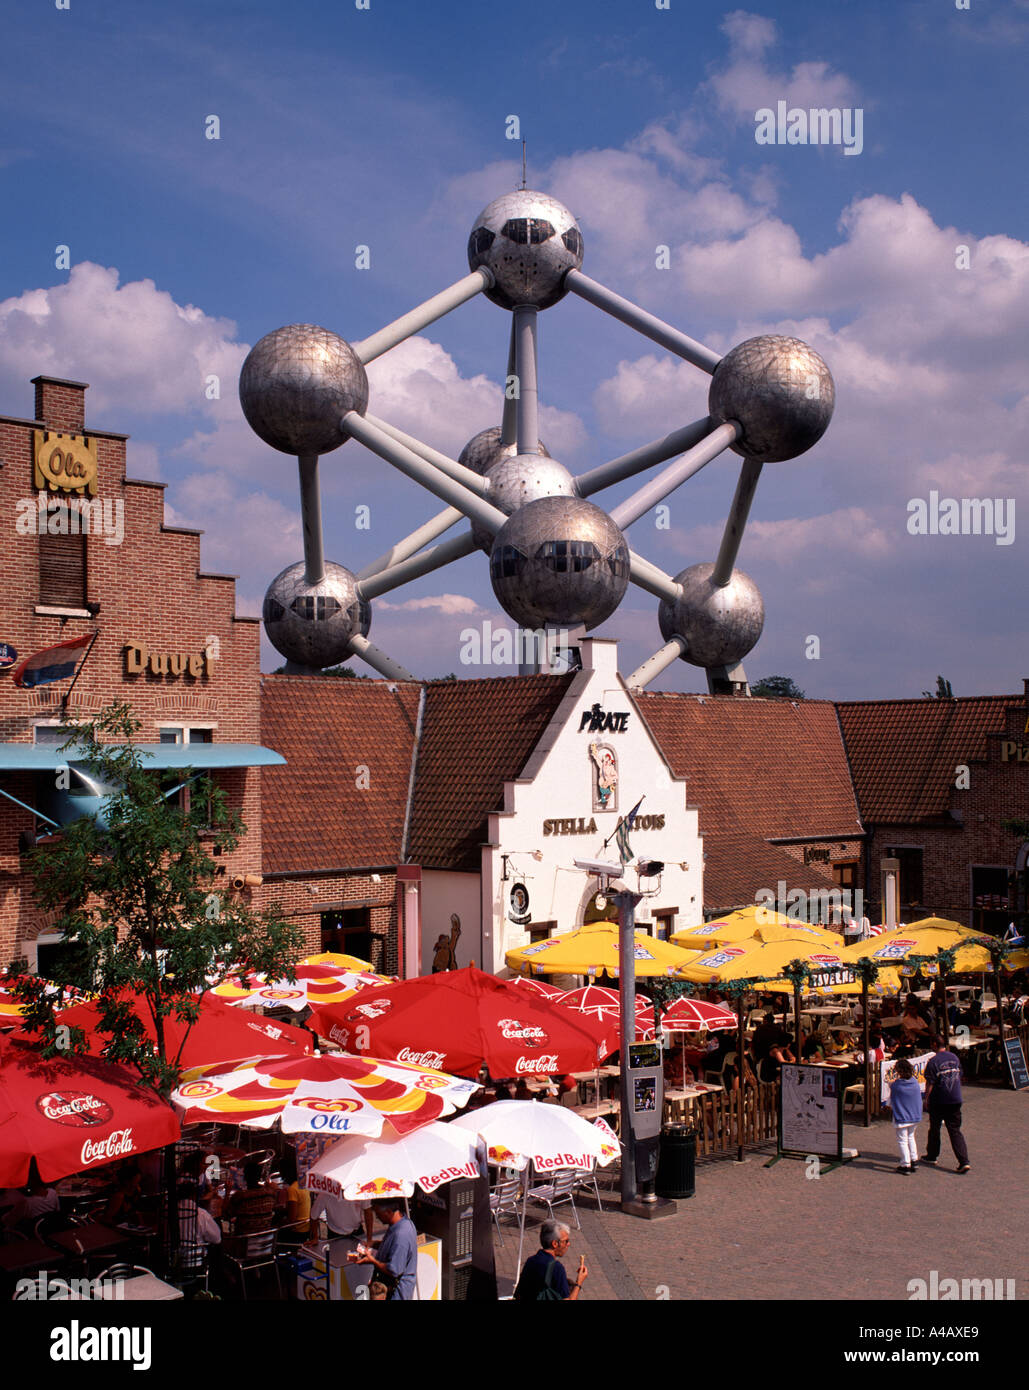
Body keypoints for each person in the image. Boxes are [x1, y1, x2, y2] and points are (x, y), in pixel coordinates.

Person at [347, 1199, 418, 1300]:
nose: (377, 1217)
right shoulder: (401, 1224)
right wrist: (375, 1244)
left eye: (378, 1213)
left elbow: (394, 1270)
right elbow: (392, 1247)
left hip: (395, 1293)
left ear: (388, 1212)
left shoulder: (401, 1235)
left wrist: (372, 1261)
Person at [922, 1035, 970, 1173]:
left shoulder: (933, 1062)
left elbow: (930, 1083)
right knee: (955, 1130)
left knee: (935, 1128)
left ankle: (932, 1155)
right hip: (955, 1099)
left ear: (935, 1044)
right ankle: (964, 1161)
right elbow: (960, 1075)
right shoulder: (954, 1057)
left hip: (939, 1100)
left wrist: (927, 1099)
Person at [514, 1220, 588, 1301]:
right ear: (555, 1244)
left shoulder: (531, 1261)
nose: (568, 1244)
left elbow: (519, 1294)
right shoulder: (557, 1268)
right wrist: (579, 1282)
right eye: (566, 1241)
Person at [888, 1058, 923, 1174]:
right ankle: (914, 1160)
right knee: (911, 1137)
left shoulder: (897, 1085)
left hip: (902, 1116)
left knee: (902, 1140)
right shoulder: (915, 1082)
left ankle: (905, 1164)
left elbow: (891, 1093)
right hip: (914, 1116)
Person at [1, 1165, 59, 1233]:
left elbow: (9, 1220)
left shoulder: (27, 1202)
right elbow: (57, 1211)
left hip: (32, 1235)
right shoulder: (53, 1193)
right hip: (51, 1230)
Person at [226, 1161, 277, 1235]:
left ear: (245, 1177)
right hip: (266, 1241)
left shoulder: (240, 1197)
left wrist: (227, 1193)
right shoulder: (270, 1193)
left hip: (244, 1241)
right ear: (260, 1176)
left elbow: (226, 1215)